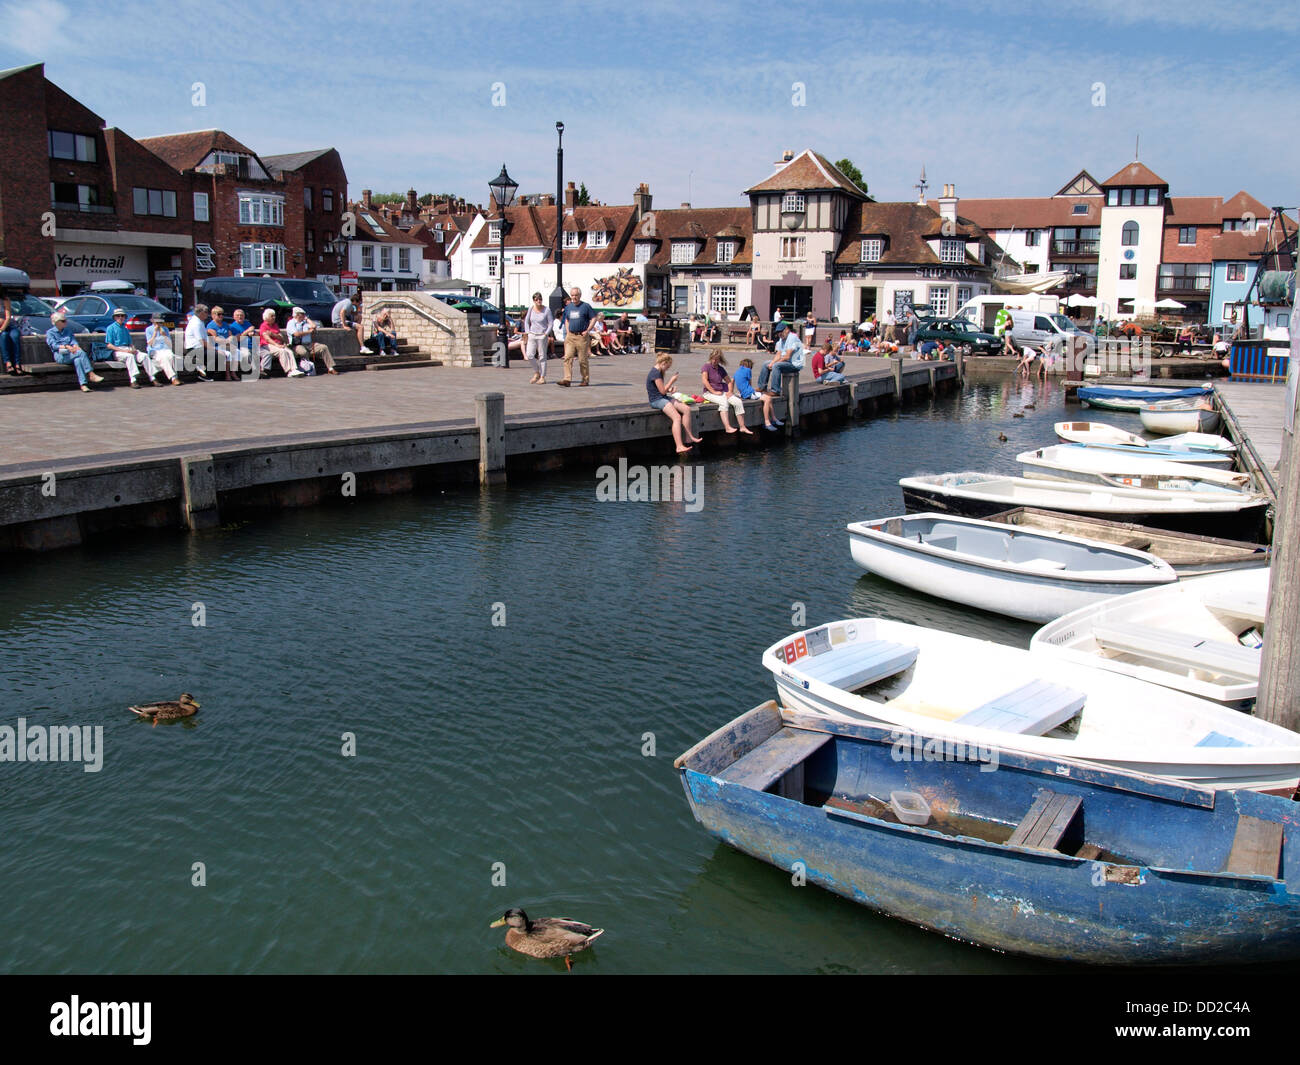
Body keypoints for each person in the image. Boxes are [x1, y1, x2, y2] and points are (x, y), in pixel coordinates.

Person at [646, 354, 702, 453]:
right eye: (667, 367)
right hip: (656, 400)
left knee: (686, 409)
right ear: (664, 363)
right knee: (676, 417)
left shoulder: (658, 371)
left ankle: (689, 437)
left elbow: (661, 390)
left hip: (662, 397)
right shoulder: (655, 373)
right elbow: (662, 391)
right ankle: (679, 446)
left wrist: (670, 389)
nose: (667, 369)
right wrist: (671, 381)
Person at [46, 310, 102, 392]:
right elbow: (53, 346)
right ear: (57, 322)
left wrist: (76, 346)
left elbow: (73, 341)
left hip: (72, 354)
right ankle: (91, 374)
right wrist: (66, 346)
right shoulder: (50, 333)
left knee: (78, 360)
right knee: (81, 353)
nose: (66, 322)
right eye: (63, 321)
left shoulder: (68, 331)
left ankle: (83, 385)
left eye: (66, 320)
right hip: (60, 356)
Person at [700, 349, 753, 435]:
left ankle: (742, 426)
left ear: (720, 359)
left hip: (722, 391)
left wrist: (730, 392)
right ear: (710, 358)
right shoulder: (706, 367)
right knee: (724, 402)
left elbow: (729, 381)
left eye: (716, 359)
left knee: (738, 402)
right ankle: (727, 427)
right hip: (709, 393)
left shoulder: (721, 369)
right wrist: (714, 391)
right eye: (713, 359)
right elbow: (705, 381)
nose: (714, 361)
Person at [104, 306, 158, 387]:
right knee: (129, 357)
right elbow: (109, 345)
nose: (120, 317)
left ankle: (153, 378)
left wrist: (134, 349)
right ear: (115, 317)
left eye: (122, 316)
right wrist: (124, 351)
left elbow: (130, 343)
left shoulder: (125, 328)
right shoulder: (110, 328)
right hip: (117, 351)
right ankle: (133, 380)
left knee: (144, 356)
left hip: (128, 348)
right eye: (118, 316)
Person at [557, 285, 596, 387]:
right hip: (571, 336)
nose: (574, 297)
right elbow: (566, 319)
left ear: (580, 295)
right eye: (572, 295)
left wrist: (588, 330)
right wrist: (568, 329)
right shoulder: (568, 307)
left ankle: (585, 379)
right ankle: (567, 379)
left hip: (581, 336)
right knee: (568, 357)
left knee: (582, 359)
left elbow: (593, 318)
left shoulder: (586, 306)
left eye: (576, 295)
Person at [287, 307, 338, 375]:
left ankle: (330, 368)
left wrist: (307, 319)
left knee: (323, 347)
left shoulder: (304, 322)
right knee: (303, 352)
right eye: (302, 314)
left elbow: (314, 326)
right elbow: (296, 334)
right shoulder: (291, 323)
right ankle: (307, 369)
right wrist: (308, 332)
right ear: (297, 315)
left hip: (308, 344)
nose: (304, 316)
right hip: (297, 345)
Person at [734, 357, 781, 431]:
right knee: (768, 398)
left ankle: (774, 418)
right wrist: (752, 390)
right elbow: (749, 383)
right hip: (749, 393)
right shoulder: (748, 370)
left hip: (744, 393)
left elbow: (737, 383)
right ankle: (767, 422)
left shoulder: (737, 372)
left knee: (767, 398)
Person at [757, 322, 802, 395]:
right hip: (787, 362)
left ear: (787, 330)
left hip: (795, 364)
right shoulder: (782, 339)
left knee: (776, 366)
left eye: (781, 332)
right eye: (778, 332)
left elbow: (787, 356)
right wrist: (772, 362)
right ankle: (762, 387)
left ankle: (775, 390)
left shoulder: (792, 338)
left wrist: (774, 363)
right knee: (766, 364)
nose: (779, 334)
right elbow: (778, 354)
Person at [258, 309, 304, 377]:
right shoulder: (263, 326)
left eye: (274, 316)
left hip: (278, 344)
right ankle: (288, 370)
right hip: (267, 345)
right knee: (282, 351)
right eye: (272, 316)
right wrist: (277, 345)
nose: (274, 317)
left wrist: (273, 334)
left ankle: (294, 369)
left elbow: (281, 337)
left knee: (289, 351)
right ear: (267, 317)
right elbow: (267, 339)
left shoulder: (275, 325)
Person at [522, 292, 553, 384]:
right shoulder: (531, 309)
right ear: (533, 301)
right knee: (530, 355)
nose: (538, 301)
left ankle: (543, 376)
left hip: (542, 335)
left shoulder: (546, 310)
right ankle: (537, 372)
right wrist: (527, 332)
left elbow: (551, 323)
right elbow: (526, 321)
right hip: (532, 334)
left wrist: (546, 334)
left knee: (542, 356)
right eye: (536, 299)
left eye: (540, 299)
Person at [145, 312, 181, 385]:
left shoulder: (165, 329)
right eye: (157, 322)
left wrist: (164, 335)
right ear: (152, 321)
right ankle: (173, 378)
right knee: (163, 357)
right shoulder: (148, 329)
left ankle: (175, 377)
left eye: (160, 322)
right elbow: (150, 344)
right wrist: (155, 333)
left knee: (171, 356)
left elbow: (169, 343)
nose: (158, 323)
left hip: (165, 349)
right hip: (154, 350)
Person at [184, 303, 215, 381]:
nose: (207, 314)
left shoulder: (199, 321)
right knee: (215, 355)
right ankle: (204, 375)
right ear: (201, 313)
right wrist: (214, 349)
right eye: (206, 312)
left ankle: (205, 372)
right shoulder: (196, 323)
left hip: (199, 348)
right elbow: (201, 341)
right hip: (194, 349)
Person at [1, 291, 25, 375]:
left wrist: (2, 328)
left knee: (15, 336)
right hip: (1, 329)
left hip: (9, 326)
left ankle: (17, 364)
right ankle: (8, 363)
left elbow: (8, 317)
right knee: (4, 336)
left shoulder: (5, 300)